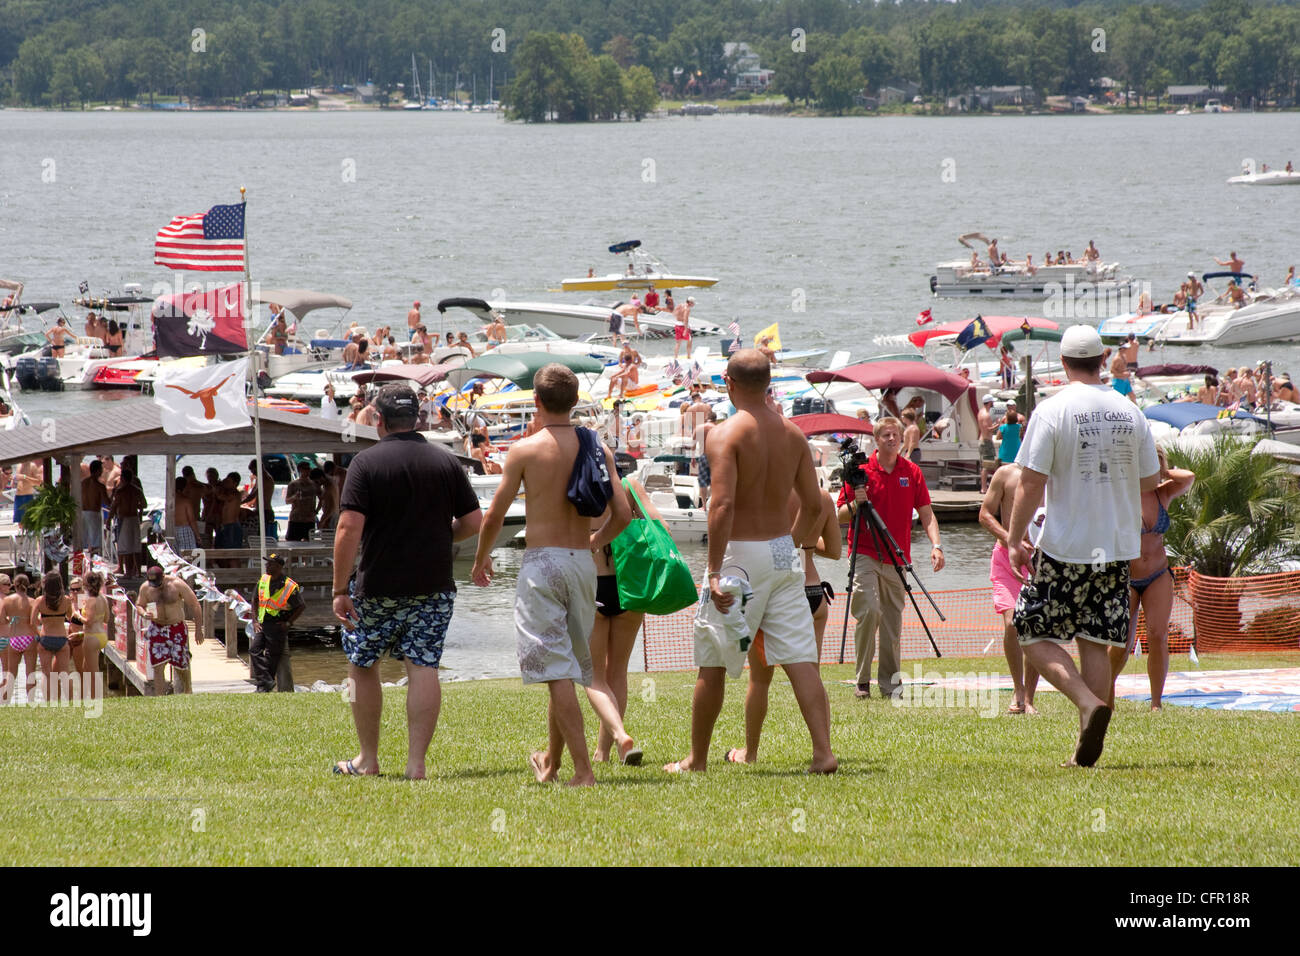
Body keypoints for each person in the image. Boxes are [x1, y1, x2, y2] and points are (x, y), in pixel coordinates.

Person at [665, 350, 836, 774]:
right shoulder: (794, 435)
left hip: (740, 553)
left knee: (714, 658)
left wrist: (713, 571)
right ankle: (823, 753)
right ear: (770, 383)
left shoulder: (724, 435)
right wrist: (792, 546)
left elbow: (720, 505)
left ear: (729, 382)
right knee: (800, 657)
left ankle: (697, 760)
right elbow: (815, 505)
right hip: (782, 550)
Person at [1005, 324, 1160, 767]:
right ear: (1101, 361)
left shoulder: (1053, 410)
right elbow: (1150, 480)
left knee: (1030, 629)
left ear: (1063, 362)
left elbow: (1031, 482)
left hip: (1065, 546)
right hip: (1115, 545)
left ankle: (1087, 704)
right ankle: (1086, 750)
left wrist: (1015, 540)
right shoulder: (1129, 410)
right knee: (1095, 640)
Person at [471, 365, 633, 786]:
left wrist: (481, 558)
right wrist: (596, 542)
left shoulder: (525, 450)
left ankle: (583, 771)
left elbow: (494, 514)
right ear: (575, 401)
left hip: (542, 563)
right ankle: (553, 763)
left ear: (537, 403)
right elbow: (624, 514)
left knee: (557, 672)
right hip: (582, 563)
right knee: (562, 666)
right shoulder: (597, 447)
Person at [332, 385, 483, 779]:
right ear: (417, 418)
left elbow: (349, 527)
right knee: (422, 666)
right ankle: (416, 764)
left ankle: (368, 760)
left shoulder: (365, 464)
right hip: (433, 584)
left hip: (378, 585)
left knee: (364, 665)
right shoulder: (445, 461)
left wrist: (338, 589)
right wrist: (440, 534)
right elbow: (473, 523)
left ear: (378, 420)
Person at [727, 484, 840, 764]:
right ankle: (823, 748)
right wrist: (809, 546)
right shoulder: (823, 498)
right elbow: (836, 550)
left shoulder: (772, 495)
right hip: (814, 591)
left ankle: (749, 752)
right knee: (812, 674)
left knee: (760, 679)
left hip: (780, 591)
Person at [838, 416, 944, 699]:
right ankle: (862, 680)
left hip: (898, 558)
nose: (892, 439)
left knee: (892, 623)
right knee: (869, 610)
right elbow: (839, 514)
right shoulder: (861, 470)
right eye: (886, 435)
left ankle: (890, 685)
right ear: (876, 439)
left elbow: (926, 513)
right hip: (864, 552)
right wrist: (857, 502)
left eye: (896, 434)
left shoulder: (911, 471)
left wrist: (937, 545)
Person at [1108, 448, 1195, 711]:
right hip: (1127, 576)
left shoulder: (1163, 492)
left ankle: (1156, 703)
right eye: (1148, 463)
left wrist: (1162, 472)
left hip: (1158, 574)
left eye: (1158, 463)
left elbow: (1189, 477)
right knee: (1121, 642)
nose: (1153, 469)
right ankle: (1105, 693)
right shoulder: (1123, 491)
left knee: (1157, 636)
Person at [586, 474, 660, 765]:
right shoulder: (629, 487)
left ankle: (616, 739)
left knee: (593, 676)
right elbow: (660, 527)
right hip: (629, 586)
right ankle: (604, 751)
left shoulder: (579, 484)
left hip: (593, 585)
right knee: (617, 671)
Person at [979, 463, 1041, 715]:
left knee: (1036, 628)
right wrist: (1011, 541)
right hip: (1007, 557)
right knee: (1012, 623)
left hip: (1042, 560)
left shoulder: (1054, 473)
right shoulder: (1005, 474)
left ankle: (1029, 699)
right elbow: (985, 514)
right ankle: (1018, 688)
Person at [137, 566, 204, 695]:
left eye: (157, 582)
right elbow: (139, 605)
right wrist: (144, 613)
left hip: (176, 627)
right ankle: (160, 698)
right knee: (158, 665)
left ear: (163, 576)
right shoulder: (146, 588)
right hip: (157, 628)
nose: (155, 586)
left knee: (181, 664)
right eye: (153, 583)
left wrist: (198, 629)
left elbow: (195, 604)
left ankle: (188, 690)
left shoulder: (177, 584)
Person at [251, 553, 305, 693]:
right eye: (267, 563)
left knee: (272, 657)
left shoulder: (288, 585)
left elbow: (301, 606)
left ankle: (263, 688)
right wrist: (255, 620)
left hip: (277, 625)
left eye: (270, 564)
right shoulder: (263, 579)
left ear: (279, 567)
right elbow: (255, 600)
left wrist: (288, 623)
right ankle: (266, 681)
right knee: (254, 650)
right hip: (263, 623)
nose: (267, 566)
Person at [74, 572, 109, 702]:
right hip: (101, 635)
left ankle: (96, 700)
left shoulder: (90, 600)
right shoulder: (103, 599)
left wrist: (77, 615)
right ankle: (83, 697)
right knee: (85, 668)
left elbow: (88, 621)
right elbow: (106, 619)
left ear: (86, 585)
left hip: (91, 636)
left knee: (93, 671)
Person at [2, 574, 36, 703]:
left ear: (14, 585)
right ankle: (31, 702)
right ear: (27, 586)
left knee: (11, 674)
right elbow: (35, 621)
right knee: (30, 673)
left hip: (14, 637)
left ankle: (5, 702)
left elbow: (1, 619)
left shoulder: (7, 600)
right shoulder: (32, 601)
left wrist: (11, 620)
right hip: (28, 637)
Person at [109, 468, 145, 577]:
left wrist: (108, 520)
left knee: (126, 547)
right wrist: (135, 505)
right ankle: (138, 572)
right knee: (136, 546)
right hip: (134, 518)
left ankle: (128, 572)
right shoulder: (137, 490)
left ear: (123, 478)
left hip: (124, 519)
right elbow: (144, 504)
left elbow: (114, 506)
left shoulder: (120, 491)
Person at [285, 462, 320, 542]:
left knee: (308, 545)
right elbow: (287, 501)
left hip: (309, 519)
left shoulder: (314, 484)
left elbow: (322, 498)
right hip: (296, 519)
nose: (308, 470)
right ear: (300, 470)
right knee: (293, 544)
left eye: (309, 468)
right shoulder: (293, 484)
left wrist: (316, 511)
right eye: (306, 468)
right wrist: (294, 497)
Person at [79, 459, 108, 556]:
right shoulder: (100, 486)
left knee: (84, 541)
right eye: (101, 469)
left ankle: (83, 564)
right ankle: (95, 564)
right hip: (93, 513)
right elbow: (107, 501)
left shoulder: (83, 483)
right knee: (96, 541)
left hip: (82, 512)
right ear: (97, 470)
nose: (102, 471)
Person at [693, 408, 717, 508]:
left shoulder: (699, 428)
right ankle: (712, 504)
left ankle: (703, 506)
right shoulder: (717, 428)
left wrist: (692, 458)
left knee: (702, 482)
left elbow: (693, 444)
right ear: (715, 419)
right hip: (715, 457)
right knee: (713, 481)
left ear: (706, 418)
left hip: (703, 456)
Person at [173, 476, 200, 552]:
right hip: (185, 530)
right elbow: (191, 520)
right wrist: (197, 536)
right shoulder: (186, 501)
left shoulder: (170, 499)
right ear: (183, 488)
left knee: (176, 554)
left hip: (173, 529)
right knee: (188, 555)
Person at [978, 395, 999, 492]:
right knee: (987, 465)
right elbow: (987, 430)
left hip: (982, 441)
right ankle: (984, 487)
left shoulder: (981, 412)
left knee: (985, 465)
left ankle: (984, 487)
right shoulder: (986, 414)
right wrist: (998, 425)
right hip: (986, 442)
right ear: (990, 402)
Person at [997, 402, 1023, 468]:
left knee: (1004, 471)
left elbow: (998, 437)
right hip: (1017, 451)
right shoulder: (1019, 427)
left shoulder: (1003, 427)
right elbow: (1021, 436)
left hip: (1005, 452)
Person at [672, 296, 694, 360]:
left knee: (678, 342)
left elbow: (674, 313)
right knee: (690, 340)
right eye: (693, 303)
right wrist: (685, 329)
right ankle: (689, 356)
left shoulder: (680, 305)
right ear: (690, 303)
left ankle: (675, 357)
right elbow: (685, 319)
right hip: (683, 326)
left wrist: (678, 317)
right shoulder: (687, 309)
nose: (693, 304)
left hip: (677, 324)